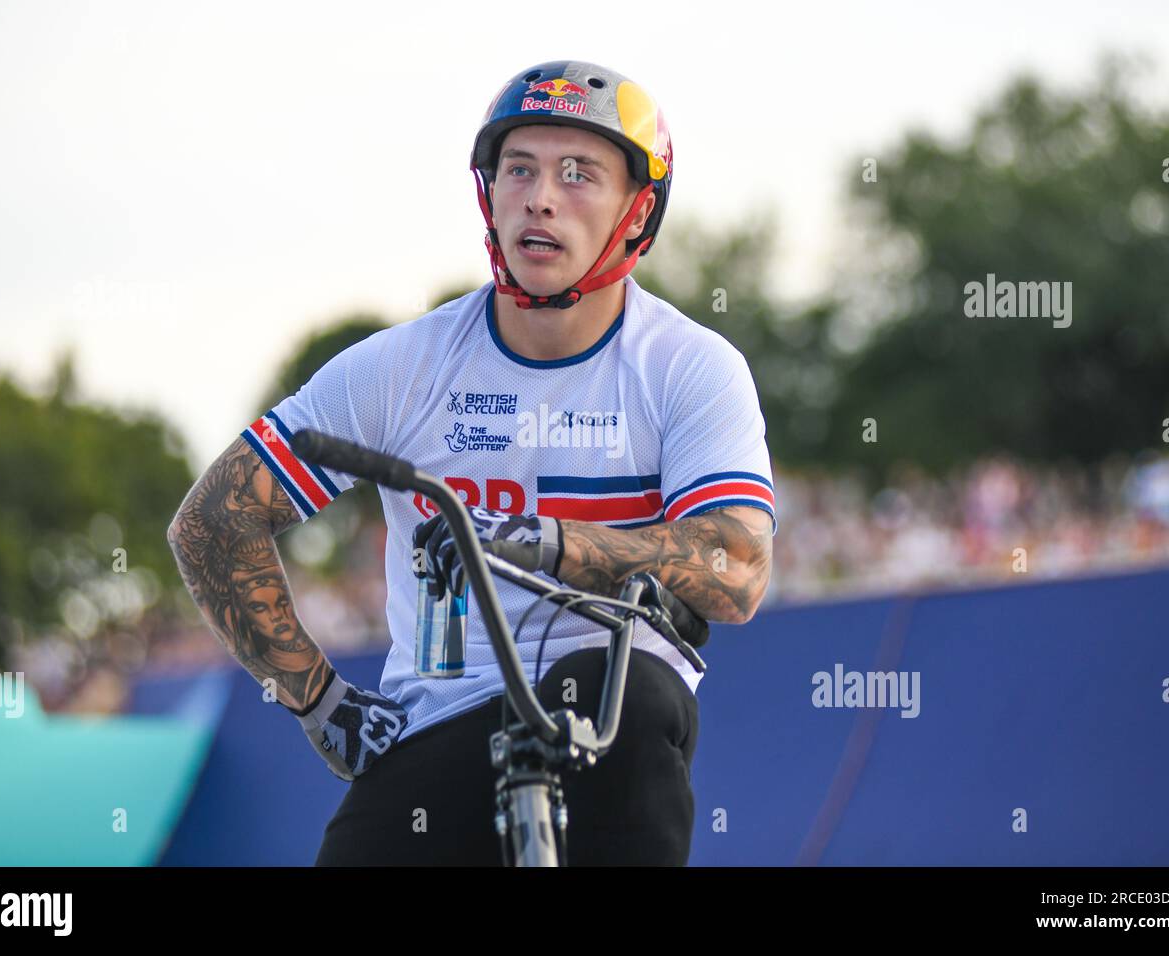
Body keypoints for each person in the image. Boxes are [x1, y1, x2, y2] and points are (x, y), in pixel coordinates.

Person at [167, 59, 776, 866]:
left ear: (638, 211)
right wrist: (315, 698)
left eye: (578, 173)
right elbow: (212, 521)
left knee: (621, 695)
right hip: (440, 731)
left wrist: (549, 543)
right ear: (489, 193)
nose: (540, 196)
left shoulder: (692, 367)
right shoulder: (400, 367)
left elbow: (737, 569)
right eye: (517, 169)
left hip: (608, 717)